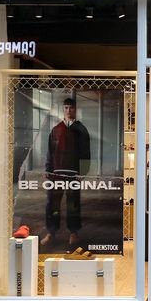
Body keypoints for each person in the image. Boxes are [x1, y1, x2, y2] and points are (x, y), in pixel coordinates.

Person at [42, 98, 91, 247]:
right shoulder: (56, 129)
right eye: (66, 108)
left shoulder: (81, 130)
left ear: (75, 110)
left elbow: (86, 153)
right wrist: (47, 169)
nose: (69, 111)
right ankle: (51, 232)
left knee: (73, 204)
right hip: (56, 172)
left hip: (73, 173)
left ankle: (73, 233)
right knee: (52, 204)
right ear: (63, 110)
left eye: (71, 108)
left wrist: (82, 172)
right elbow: (50, 152)